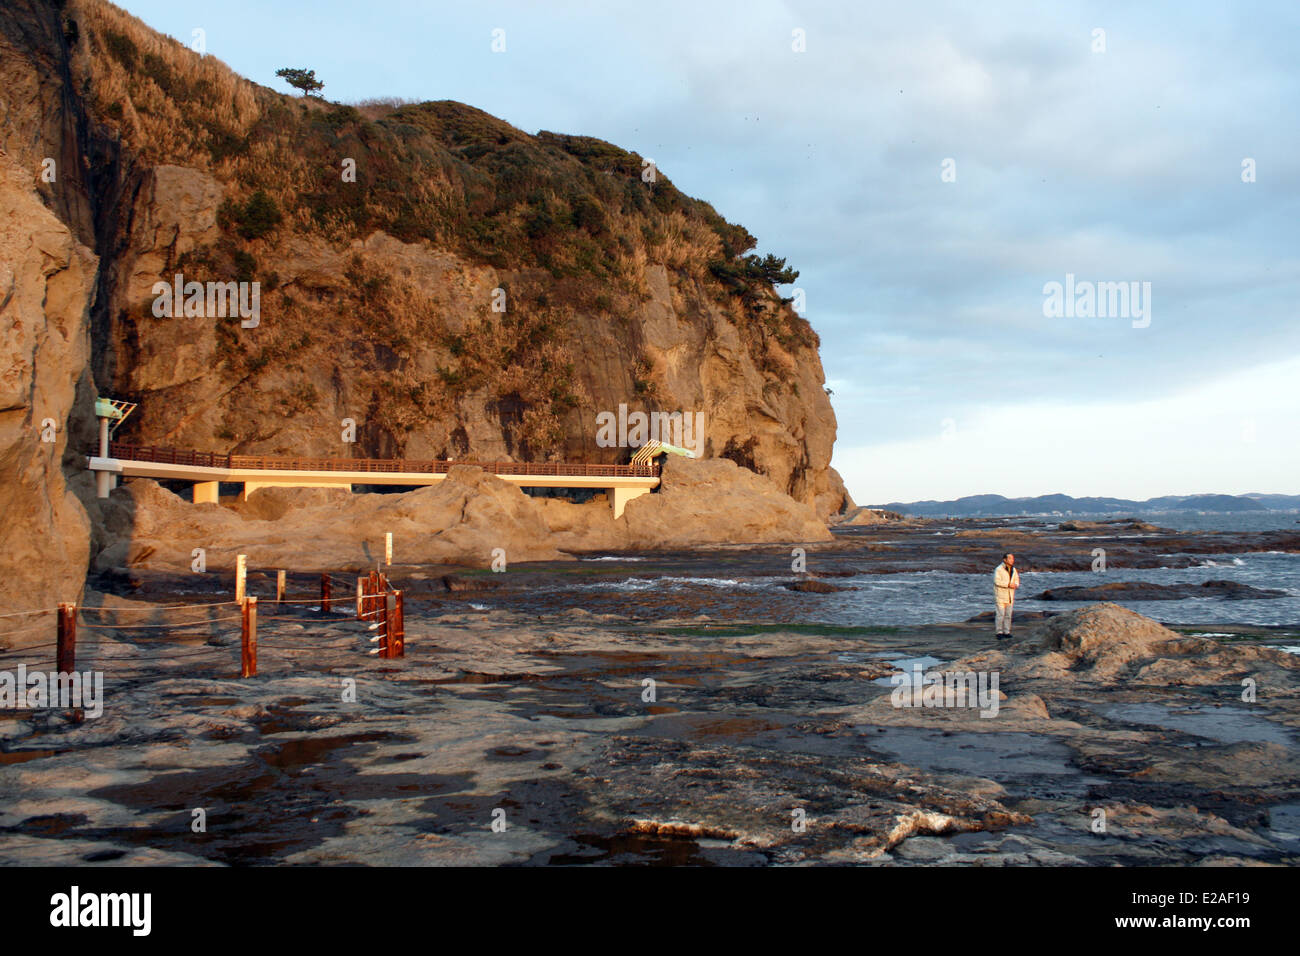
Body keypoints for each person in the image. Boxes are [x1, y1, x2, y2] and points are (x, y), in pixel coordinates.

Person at [993, 553, 1020, 639]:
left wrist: (1016, 585)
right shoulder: (999, 569)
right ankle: (999, 632)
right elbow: (997, 582)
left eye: (1013, 559)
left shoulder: (1014, 569)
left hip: (1010, 596)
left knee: (1008, 615)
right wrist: (1008, 584)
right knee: (1000, 615)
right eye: (1010, 558)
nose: (1012, 560)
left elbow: (1017, 580)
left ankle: (1007, 631)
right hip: (1000, 595)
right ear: (1005, 560)